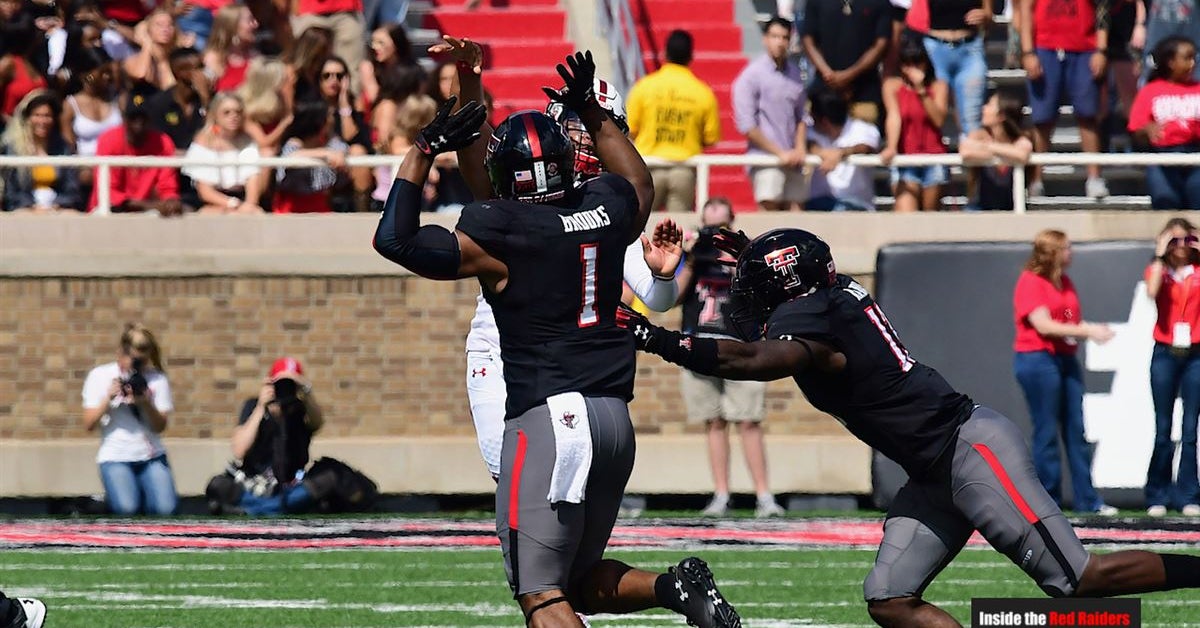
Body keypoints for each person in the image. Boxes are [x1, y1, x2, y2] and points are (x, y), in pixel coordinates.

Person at [617, 226, 1200, 628]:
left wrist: (656, 337)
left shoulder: (814, 319)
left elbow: (751, 360)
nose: (747, 300)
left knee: (1076, 580)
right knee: (890, 597)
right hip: (931, 471)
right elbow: (794, 283)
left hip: (967, 450)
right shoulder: (826, 292)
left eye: (754, 287)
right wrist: (753, 254)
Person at [373, 48, 741, 628]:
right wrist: (591, 113)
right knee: (572, 580)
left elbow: (396, 239)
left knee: (540, 591)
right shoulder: (606, 207)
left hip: (548, 412)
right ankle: (676, 588)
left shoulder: (500, 229)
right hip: (613, 415)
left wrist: (422, 150)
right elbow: (638, 183)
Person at [675, 197, 782, 517]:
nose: (713, 235)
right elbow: (673, 296)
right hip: (700, 346)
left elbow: (763, 296)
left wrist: (735, 255)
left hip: (740, 347)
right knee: (714, 422)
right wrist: (692, 259)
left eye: (720, 228)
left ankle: (764, 495)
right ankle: (721, 494)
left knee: (749, 420)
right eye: (709, 228)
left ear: (732, 224)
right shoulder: (694, 257)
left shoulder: (744, 256)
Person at [1013, 229, 1117, 514]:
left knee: (1076, 430)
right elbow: (1043, 325)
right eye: (1066, 247)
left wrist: (1083, 330)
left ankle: (1088, 499)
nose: (1071, 252)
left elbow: (1069, 320)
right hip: (1038, 359)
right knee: (1046, 431)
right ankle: (1049, 501)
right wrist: (1088, 331)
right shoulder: (1030, 282)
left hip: (1064, 358)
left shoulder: (1065, 282)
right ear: (1053, 251)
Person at [81, 323, 179, 516]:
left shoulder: (157, 379)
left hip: (151, 456)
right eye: (134, 360)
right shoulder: (101, 376)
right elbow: (89, 424)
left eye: (142, 361)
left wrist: (145, 402)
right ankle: (105, 505)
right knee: (127, 509)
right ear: (121, 353)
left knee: (166, 510)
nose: (137, 367)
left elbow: (160, 427)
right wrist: (108, 399)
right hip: (116, 455)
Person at [1019, 0, 1109, 199]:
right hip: (1045, 47)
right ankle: (1036, 181)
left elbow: (1102, 8)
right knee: (1042, 119)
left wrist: (1101, 49)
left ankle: (1094, 178)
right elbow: (1026, 9)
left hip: (1085, 48)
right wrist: (1027, 51)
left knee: (1088, 115)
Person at [626, 29, 721, 213]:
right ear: (691, 56)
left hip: (649, 167)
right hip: (683, 170)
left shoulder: (644, 87)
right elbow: (710, 138)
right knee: (677, 232)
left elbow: (631, 129)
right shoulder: (702, 92)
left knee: (641, 230)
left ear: (665, 53)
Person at [1144, 218, 1200, 517]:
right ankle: (1157, 493)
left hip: (1196, 354)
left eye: (1186, 240)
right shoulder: (1160, 272)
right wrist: (1159, 253)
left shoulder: (1198, 272)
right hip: (1165, 351)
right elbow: (1151, 292)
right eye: (1174, 241)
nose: (1181, 247)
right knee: (1163, 427)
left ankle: (1189, 493)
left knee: (1190, 429)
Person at [230, 357, 324, 516]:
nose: (285, 389)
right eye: (281, 383)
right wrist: (261, 407)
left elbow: (317, 423)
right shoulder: (254, 405)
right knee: (218, 485)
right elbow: (239, 450)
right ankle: (275, 507)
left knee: (329, 477)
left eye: (290, 384)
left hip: (292, 485)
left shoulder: (301, 410)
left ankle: (254, 509)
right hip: (256, 483)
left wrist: (306, 392)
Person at [733, 16, 808, 212]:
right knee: (770, 220)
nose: (780, 42)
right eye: (775, 36)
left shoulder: (795, 74)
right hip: (766, 158)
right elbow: (747, 125)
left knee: (797, 217)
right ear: (765, 39)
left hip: (794, 160)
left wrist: (799, 148)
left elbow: (801, 116)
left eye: (784, 37)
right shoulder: (751, 76)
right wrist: (780, 153)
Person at [1128, 36, 1200, 210]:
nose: (1192, 64)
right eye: (1187, 58)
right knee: (1166, 204)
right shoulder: (1150, 91)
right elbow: (1136, 128)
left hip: (1196, 155)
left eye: (1194, 58)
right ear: (1171, 62)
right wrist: (1147, 130)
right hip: (1163, 157)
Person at [880, 40, 949, 212]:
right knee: (905, 215)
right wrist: (891, 146)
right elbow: (894, 116)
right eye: (906, 63)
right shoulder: (892, 86)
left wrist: (921, 90)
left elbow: (939, 119)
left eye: (916, 63)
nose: (911, 68)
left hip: (933, 157)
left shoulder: (939, 87)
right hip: (906, 157)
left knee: (929, 218)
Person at [904, 0, 990, 135]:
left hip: (969, 47)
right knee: (935, 113)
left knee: (971, 120)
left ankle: (970, 149)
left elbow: (989, 16)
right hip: (935, 47)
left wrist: (984, 16)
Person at [88, 93, 183, 215]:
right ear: (124, 119)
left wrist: (171, 201)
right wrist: (149, 205)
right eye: (133, 117)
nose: (139, 122)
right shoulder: (109, 140)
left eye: (143, 117)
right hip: (111, 210)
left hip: (150, 211)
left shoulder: (163, 143)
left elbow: (168, 186)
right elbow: (110, 191)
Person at [802, 0, 891, 124]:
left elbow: (881, 44)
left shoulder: (880, 3)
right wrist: (826, 72)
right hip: (822, 94)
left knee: (863, 142)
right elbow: (808, 39)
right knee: (815, 141)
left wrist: (849, 74)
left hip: (864, 94)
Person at [182, 92, 265, 213]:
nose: (233, 116)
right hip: (213, 201)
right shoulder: (203, 143)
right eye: (226, 112)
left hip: (241, 197)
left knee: (256, 213)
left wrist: (249, 204)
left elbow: (252, 180)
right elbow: (205, 191)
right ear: (215, 115)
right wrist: (232, 204)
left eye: (237, 112)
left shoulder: (248, 142)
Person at [1, 90, 82, 212]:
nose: (42, 121)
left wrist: (57, 205)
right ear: (28, 118)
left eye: (47, 116)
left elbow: (71, 187)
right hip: (24, 208)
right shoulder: (14, 149)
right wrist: (32, 207)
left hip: (57, 207)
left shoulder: (63, 148)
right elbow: (12, 191)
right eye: (37, 115)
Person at [805, 88, 881, 212]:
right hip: (818, 203)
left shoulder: (863, 129)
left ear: (824, 121)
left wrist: (841, 153)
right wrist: (820, 151)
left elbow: (867, 147)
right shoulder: (811, 130)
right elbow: (804, 142)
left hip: (855, 204)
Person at [958, 90, 1034, 211]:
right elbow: (966, 152)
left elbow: (1022, 154)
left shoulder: (1020, 139)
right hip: (979, 209)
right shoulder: (979, 134)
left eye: (989, 105)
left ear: (1001, 115)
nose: (983, 108)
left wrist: (989, 147)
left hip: (1011, 208)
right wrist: (1006, 152)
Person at [274, 99, 349, 213]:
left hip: (319, 204)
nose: (332, 120)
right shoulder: (294, 143)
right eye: (329, 116)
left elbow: (341, 150)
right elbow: (290, 158)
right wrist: (325, 153)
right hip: (291, 206)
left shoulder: (331, 141)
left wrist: (338, 154)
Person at [202, 4, 260, 93]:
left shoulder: (255, 55)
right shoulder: (215, 58)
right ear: (233, 25)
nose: (256, 24)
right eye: (250, 20)